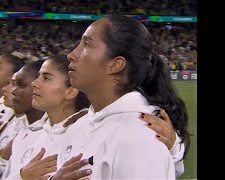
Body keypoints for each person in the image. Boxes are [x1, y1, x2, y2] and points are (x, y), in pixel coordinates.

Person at [52, 14, 190, 179]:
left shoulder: (139, 136)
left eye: (87, 44)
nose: (71, 54)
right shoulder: (77, 128)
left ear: (115, 65)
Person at [5, 54, 91, 180]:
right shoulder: (25, 137)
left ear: (71, 91)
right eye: (38, 76)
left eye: (46, 78)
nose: (34, 83)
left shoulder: (88, 135)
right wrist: (22, 177)